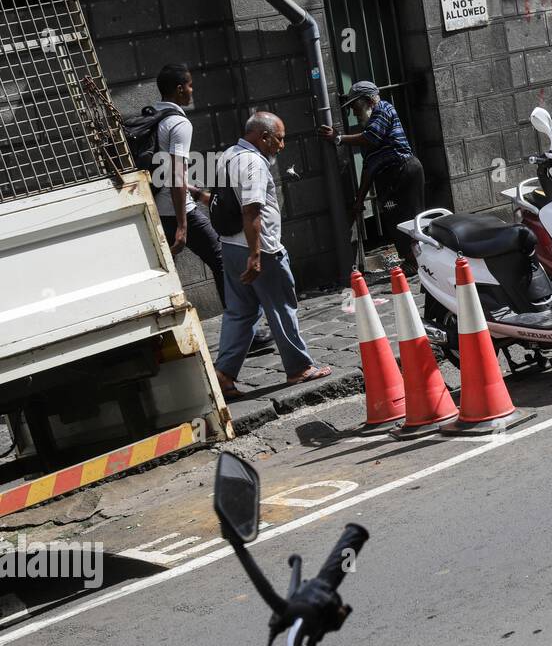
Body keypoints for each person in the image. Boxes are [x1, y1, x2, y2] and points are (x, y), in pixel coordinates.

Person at [152, 64, 273, 352]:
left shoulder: (154, 116)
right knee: (222, 260)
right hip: (177, 210)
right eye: (190, 85)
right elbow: (176, 173)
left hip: (156, 207)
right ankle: (246, 333)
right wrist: (183, 224)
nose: (193, 90)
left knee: (164, 272)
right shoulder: (179, 123)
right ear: (180, 88)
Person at [213, 112, 330, 401]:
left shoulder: (228, 154)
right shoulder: (253, 163)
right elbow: (251, 209)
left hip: (229, 246)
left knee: (241, 312)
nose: (282, 145)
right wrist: (256, 255)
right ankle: (299, 368)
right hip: (261, 249)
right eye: (279, 138)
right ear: (263, 137)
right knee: (281, 306)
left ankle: (223, 375)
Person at [319, 81, 423, 273]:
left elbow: (371, 137)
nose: (353, 112)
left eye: (354, 106)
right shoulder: (368, 126)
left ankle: (415, 261)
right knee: (395, 219)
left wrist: (338, 139)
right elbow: (368, 167)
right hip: (390, 176)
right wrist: (359, 200)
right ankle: (412, 259)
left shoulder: (383, 108)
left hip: (402, 170)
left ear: (368, 101)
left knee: (406, 216)